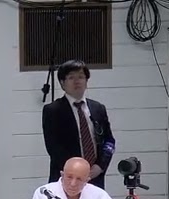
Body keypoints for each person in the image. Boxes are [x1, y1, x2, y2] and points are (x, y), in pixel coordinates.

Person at [41, 59, 116, 189]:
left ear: (86, 82)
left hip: (94, 176)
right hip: (67, 177)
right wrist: (78, 171)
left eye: (81, 77)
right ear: (62, 83)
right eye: (71, 77)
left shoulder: (98, 108)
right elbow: (53, 147)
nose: (77, 81)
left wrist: (100, 166)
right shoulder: (52, 110)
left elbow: (109, 141)